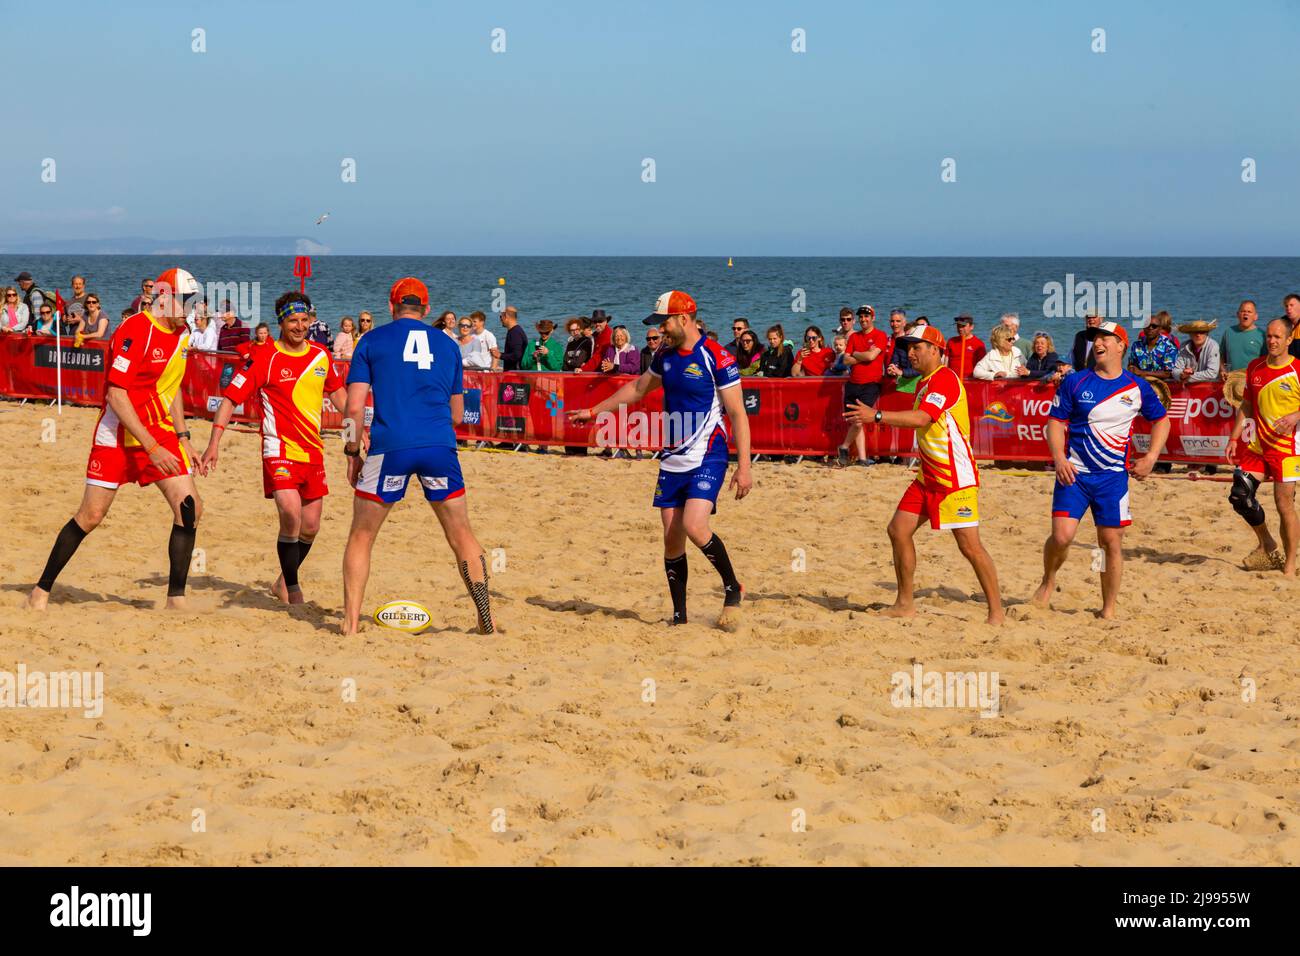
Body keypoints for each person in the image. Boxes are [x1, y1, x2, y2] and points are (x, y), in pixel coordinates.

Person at [567, 290, 752, 628]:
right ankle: (680, 617)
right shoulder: (665, 356)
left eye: (664, 322)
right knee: (671, 538)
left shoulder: (717, 356)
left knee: (695, 526)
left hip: (708, 453)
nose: (660, 330)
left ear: (683, 319)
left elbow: (738, 413)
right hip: (672, 457)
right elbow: (637, 389)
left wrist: (744, 467)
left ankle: (732, 588)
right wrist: (593, 411)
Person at [27, 268, 205, 611]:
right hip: (119, 433)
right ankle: (41, 590)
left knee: (190, 508)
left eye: (192, 301)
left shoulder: (182, 333)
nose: (190, 308)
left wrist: (183, 437)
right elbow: (116, 395)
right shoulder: (135, 329)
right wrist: (152, 448)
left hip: (159, 432)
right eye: (184, 300)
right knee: (91, 516)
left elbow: (172, 387)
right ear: (164, 298)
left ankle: (175, 599)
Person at [340, 277, 495, 636]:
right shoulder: (448, 345)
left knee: (362, 536)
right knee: (462, 534)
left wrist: (351, 451)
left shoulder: (371, 341)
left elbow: (354, 407)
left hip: (390, 445)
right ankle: (484, 619)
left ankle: (350, 625)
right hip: (438, 445)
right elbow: (458, 414)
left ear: (391, 306)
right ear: (426, 309)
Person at [844, 325, 1003, 625]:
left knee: (969, 546)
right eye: (908, 348)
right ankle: (905, 604)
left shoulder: (944, 379)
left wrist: (876, 415)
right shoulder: (924, 382)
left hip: (954, 479)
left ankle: (996, 612)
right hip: (927, 475)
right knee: (897, 530)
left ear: (935, 350)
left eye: (917, 347)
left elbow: (922, 418)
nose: (911, 353)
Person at [202, 292, 347, 604]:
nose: (300, 326)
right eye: (293, 321)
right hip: (278, 449)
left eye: (304, 320)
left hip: (313, 451)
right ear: (281, 322)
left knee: (311, 526)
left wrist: (356, 434)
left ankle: (282, 581)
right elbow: (229, 401)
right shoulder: (264, 357)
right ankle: (293, 590)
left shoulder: (320, 355)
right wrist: (214, 443)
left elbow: (341, 399)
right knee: (291, 514)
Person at [1031, 321, 1170, 620]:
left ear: (1121, 346)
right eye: (1096, 339)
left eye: (1106, 338)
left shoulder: (1137, 387)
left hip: (1112, 479)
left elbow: (1162, 420)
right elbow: (1055, 422)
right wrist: (1059, 458)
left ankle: (1107, 608)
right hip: (1075, 474)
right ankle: (1048, 579)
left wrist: (1151, 457)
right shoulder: (1076, 381)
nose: (1098, 343)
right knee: (1062, 537)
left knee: (1108, 544)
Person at [1225, 318, 1300, 574]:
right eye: (1269, 336)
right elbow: (1246, 405)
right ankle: (1266, 542)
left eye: (1277, 337)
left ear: (1289, 340)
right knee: (1239, 495)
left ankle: (1290, 564)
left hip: (1287, 449)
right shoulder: (1255, 367)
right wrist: (1234, 438)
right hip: (1257, 446)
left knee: (1284, 505)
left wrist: (1295, 416)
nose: (1272, 341)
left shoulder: (1297, 369)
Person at [837, 305, 888, 466]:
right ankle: (863, 458)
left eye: (867, 316)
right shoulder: (854, 337)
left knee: (859, 419)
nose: (863, 319)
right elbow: (846, 360)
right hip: (853, 383)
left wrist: (856, 353)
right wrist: (863, 355)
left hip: (871, 384)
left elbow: (872, 356)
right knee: (856, 421)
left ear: (873, 318)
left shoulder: (880, 335)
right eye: (861, 317)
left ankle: (844, 446)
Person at [1220, 300, 1265, 373]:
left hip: (1253, 377)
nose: (1246, 314)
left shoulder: (1262, 335)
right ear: (1237, 314)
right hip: (1231, 377)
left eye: (1249, 312)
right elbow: (1221, 356)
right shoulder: (1229, 332)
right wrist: (1222, 370)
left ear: (1255, 317)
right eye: (1243, 311)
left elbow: (1266, 361)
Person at [944, 315, 986, 379]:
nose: (960, 329)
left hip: (970, 380)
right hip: (953, 379)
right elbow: (945, 363)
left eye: (963, 326)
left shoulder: (979, 344)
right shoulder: (951, 341)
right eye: (958, 326)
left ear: (971, 327)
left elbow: (983, 367)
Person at [500, 305, 527, 370]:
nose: (500, 319)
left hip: (516, 373)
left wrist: (500, 355)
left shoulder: (515, 333)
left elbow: (516, 355)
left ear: (506, 316)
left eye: (501, 316)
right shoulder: (515, 331)